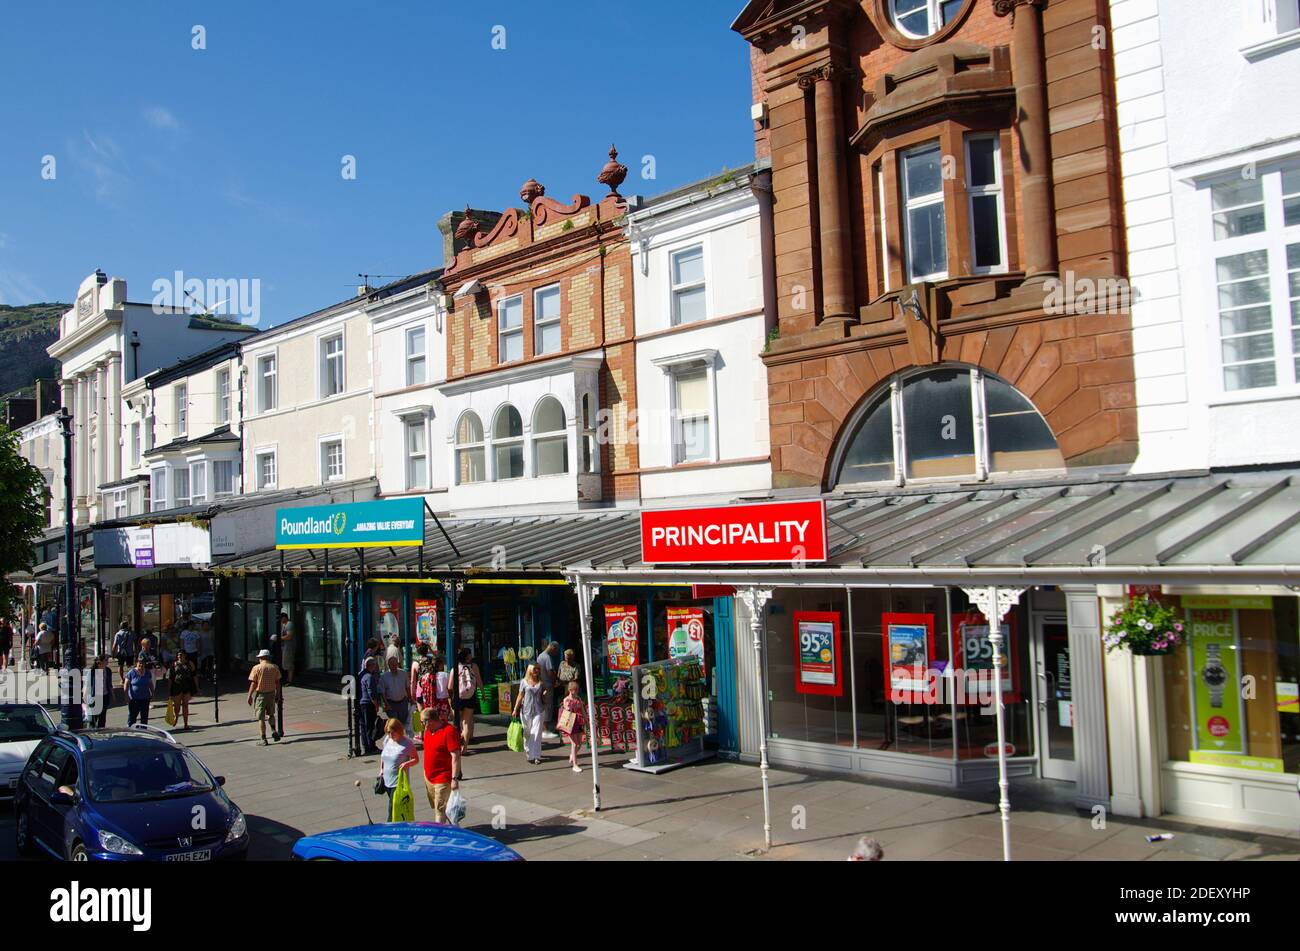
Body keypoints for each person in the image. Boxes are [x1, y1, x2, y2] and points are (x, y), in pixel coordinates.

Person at [420, 703, 461, 823]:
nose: (422, 725)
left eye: (423, 722)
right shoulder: (428, 731)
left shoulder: (449, 731)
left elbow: (456, 756)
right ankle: (454, 827)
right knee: (442, 807)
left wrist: (454, 778)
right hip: (429, 777)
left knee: (440, 811)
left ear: (430, 721)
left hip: (442, 779)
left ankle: (439, 837)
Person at [379, 718, 418, 822]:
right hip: (387, 781)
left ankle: (390, 831)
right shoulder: (387, 740)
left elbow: (416, 759)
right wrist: (381, 770)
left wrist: (407, 763)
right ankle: (402, 826)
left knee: (392, 809)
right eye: (388, 733)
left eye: (392, 733)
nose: (390, 735)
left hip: (398, 783)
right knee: (397, 808)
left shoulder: (407, 744)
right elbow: (383, 756)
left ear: (398, 730)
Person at [511, 663, 547, 765]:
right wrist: (515, 709)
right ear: (530, 670)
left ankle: (536, 756)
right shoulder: (524, 682)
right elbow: (520, 696)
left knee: (536, 733)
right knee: (527, 733)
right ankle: (528, 751)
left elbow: (544, 699)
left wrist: (545, 695)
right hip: (526, 711)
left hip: (539, 710)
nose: (537, 671)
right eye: (535, 669)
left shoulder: (541, 682)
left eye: (538, 669)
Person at [246, 649, 282, 746]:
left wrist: (249, 695)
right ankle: (274, 730)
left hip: (261, 695)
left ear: (261, 658)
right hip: (271, 693)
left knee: (261, 717)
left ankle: (263, 738)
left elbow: (253, 683)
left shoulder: (256, 668)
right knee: (271, 714)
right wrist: (278, 695)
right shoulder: (274, 667)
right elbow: (278, 683)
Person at [556, 680, 587, 773]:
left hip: (578, 722)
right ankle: (575, 764)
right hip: (570, 723)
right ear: (570, 690)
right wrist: (567, 707)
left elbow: (583, 711)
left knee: (580, 744)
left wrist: (587, 721)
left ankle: (572, 756)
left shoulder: (578, 699)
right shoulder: (566, 699)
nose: (577, 691)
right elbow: (566, 708)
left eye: (577, 689)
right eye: (575, 689)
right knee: (574, 744)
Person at [456, 648, 483, 751]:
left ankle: (458, 741)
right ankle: (465, 748)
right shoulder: (474, 666)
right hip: (471, 696)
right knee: (466, 722)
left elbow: (450, 686)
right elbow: (479, 681)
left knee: (458, 721)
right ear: (467, 656)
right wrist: (482, 693)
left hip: (459, 697)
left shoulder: (456, 667)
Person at [357, 656, 383, 755]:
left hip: (361, 703)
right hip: (368, 704)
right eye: (375, 665)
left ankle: (365, 745)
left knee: (363, 726)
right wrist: (376, 704)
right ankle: (371, 747)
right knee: (370, 726)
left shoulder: (360, 674)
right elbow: (371, 693)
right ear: (371, 666)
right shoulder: (369, 677)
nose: (376, 667)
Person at [380, 654, 411, 730]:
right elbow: (382, 692)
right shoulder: (384, 677)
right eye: (392, 665)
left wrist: (410, 698)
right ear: (389, 665)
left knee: (402, 722)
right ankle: (395, 738)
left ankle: (400, 738)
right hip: (391, 703)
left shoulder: (403, 674)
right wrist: (386, 704)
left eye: (395, 664)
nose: (394, 667)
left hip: (402, 702)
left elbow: (407, 687)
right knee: (394, 723)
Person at [169, 650, 199, 730]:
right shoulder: (174, 664)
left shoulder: (189, 663)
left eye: (181, 655)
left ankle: (186, 723)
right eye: (178, 655)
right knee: (177, 706)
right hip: (177, 686)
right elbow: (171, 678)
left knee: (185, 705)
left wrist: (197, 686)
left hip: (187, 686)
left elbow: (194, 675)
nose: (179, 656)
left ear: (185, 655)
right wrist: (169, 689)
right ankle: (176, 718)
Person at [537, 641, 560, 738]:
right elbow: (550, 672)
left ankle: (544, 728)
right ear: (553, 647)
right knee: (548, 706)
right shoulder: (547, 658)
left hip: (542, 685)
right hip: (547, 685)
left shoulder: (540, 656)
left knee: (544, 706)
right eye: (556, 650)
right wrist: (555, 681)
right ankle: (545, 730)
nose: (556, 653)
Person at [85, 654, 114, 728]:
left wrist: (113, 695)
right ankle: (92, 734)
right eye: (106, 660)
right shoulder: (92, 672)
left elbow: (109, 684)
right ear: (99, 662)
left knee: (102, 718)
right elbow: (87, 685)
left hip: (104, 696)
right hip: (95, 698)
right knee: (93, 719)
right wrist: (85, 697)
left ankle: (101, 733)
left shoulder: (108, 671)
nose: (107, 662)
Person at [125, 656, 154, 726]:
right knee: (132, 717)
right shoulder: (131, 673)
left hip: (145, 698)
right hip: (134, 699)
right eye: (140, 663)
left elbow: (150, 684)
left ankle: (143, 731)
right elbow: (126, 685)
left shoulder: (147, 672)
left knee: (144, 717)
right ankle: (131, 730)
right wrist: (126, 697)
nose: (141, 665)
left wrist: (152, 693)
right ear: (136, 663)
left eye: (143, 663)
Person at [111, 618, 134, 687]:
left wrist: (113, 654)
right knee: (130, 666)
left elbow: (114, 645)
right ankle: (130, 678)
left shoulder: (118, 634)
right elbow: (136, 642)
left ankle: (122, 679)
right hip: (129, 652)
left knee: (121, 666)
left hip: (121, 653)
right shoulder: (131, 633)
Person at [277, 611, 296, 685]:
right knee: (285, 663)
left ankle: (290, 680)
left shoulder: (289, 624)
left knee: (288, 663)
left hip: (288, 647)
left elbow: (289, 636)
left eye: (281, 618)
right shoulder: (283, 625)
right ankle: (287, 678)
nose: (280, 620)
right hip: (284, 646)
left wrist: (279, 638)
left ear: (284, 618)